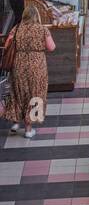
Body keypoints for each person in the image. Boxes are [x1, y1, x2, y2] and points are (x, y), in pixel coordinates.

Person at [4, 7, 55, 138]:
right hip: (37, 66)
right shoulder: (42, 29)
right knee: (35, 94)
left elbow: (7, 43)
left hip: (19, 64)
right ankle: (28, 129)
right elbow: (51, 47)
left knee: (18, 92)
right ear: (36, 15)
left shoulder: (17, 28)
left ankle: (15, 122)